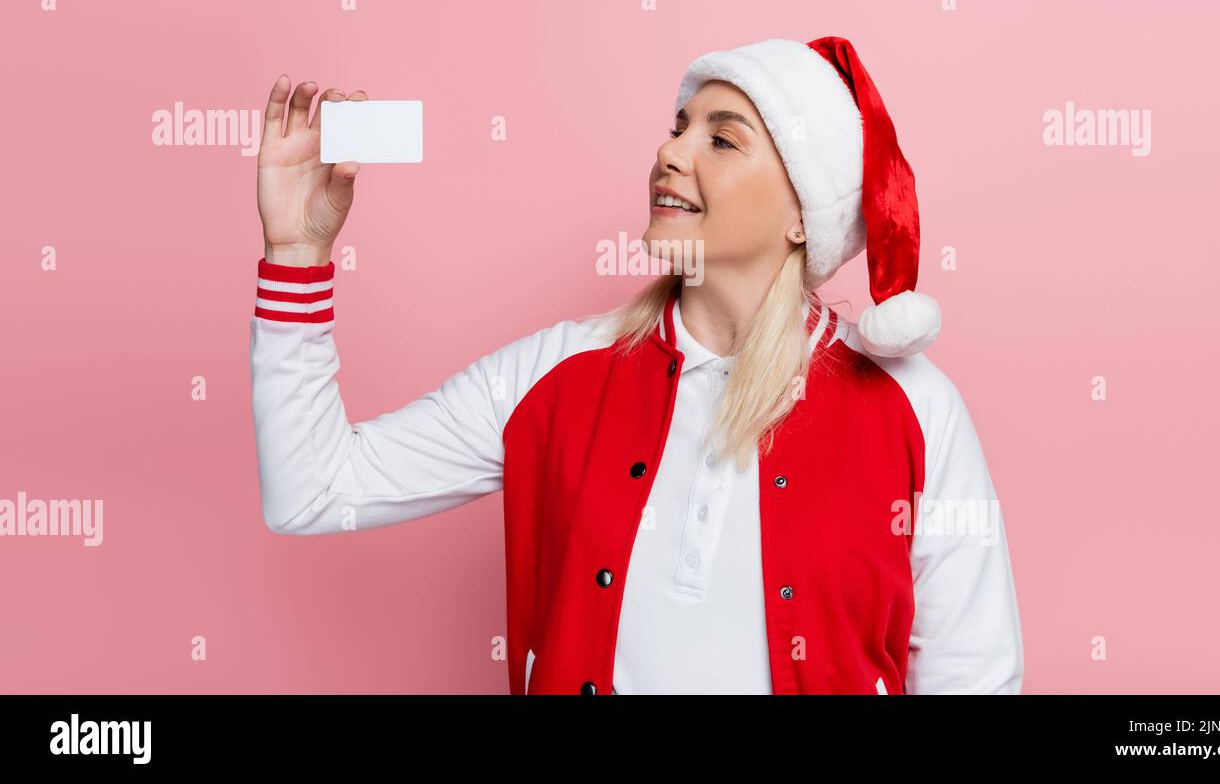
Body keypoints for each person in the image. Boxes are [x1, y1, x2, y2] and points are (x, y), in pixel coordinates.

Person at [250, 36, 1025, 695]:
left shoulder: (915, 408)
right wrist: (296, 256)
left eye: (721, 140)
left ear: (804, 213)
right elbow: (313, 490)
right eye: (678, 127)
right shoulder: (555, 374)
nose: (670, 151)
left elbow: (973, 676)